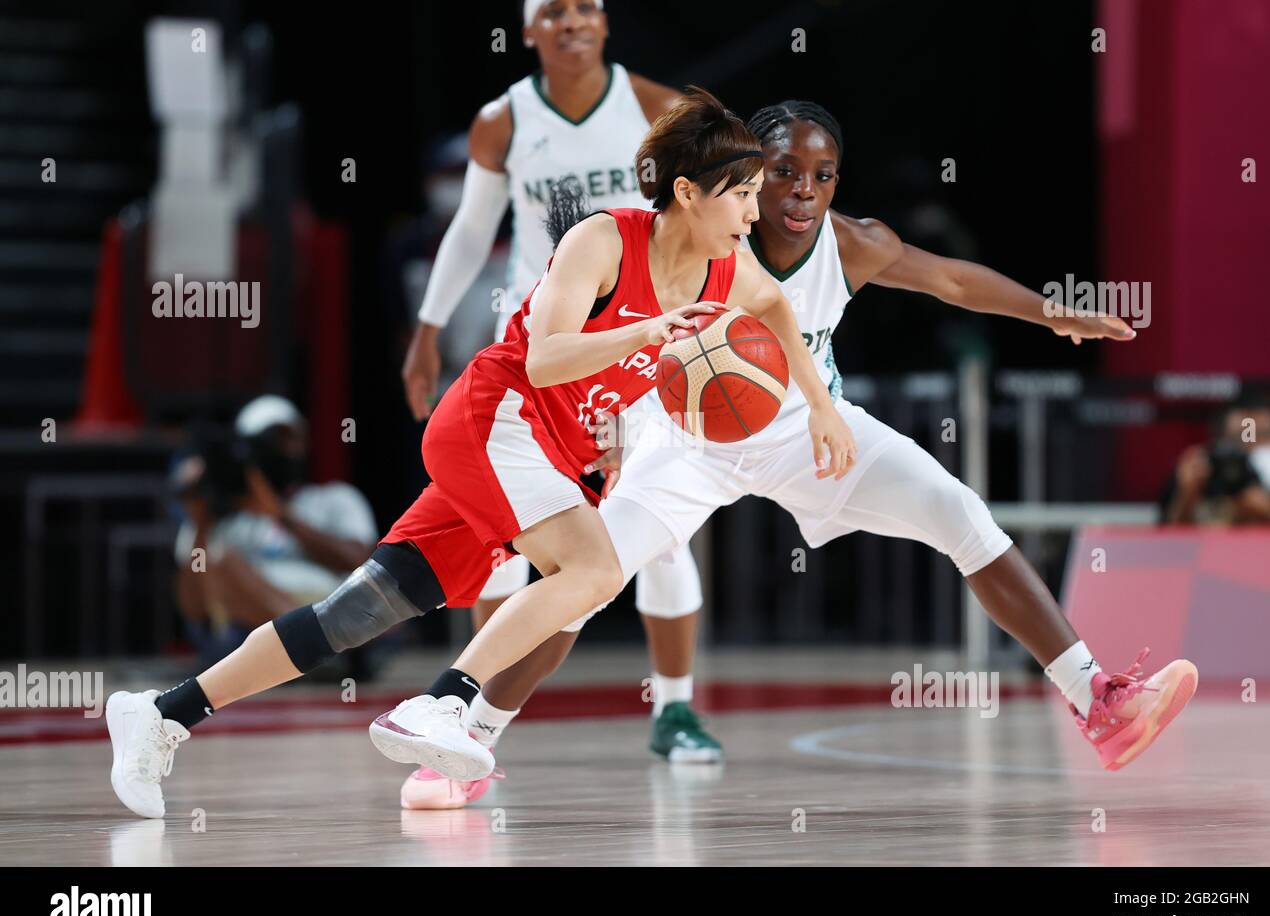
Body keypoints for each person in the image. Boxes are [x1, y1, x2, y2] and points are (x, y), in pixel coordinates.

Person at [398, 99, 1198, 803]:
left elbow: (952, 282)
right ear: (748, 173)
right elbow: (598, 330)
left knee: (958, 510)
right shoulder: (696, 237)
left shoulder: (852, 245)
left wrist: (1050, 312)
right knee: (581, 587)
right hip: (687, 443)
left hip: (807, 433)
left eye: (822, 175)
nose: (802, 191)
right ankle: (460, 748)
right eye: (782, 172)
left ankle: (1095, 697)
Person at [104, 87, 854, 818]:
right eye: (744, 194)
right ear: (689, 193)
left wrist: (820, 408)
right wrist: (645, 334)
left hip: (545, 456)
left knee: (356, 612)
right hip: (494, 420)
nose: (756, 212)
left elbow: (776, 308)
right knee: (592, 569)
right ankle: (444, 703)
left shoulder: (728, 269)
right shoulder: (603, 239)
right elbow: (546, 359)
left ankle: (162, 716)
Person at [397, 0, 721, 811]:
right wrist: (429, 327)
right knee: (507, 545)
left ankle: (675, 707)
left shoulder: (654, 106)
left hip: (638, 342)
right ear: (530, 27)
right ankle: (464, 730)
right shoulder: (503, 120)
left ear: (606, 22)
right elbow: (473, 230)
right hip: (545, 352)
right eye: (555, 11)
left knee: (656, 529)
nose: (573, 21)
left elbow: (713, 205)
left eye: (587, 7)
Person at [172, 396, 379, 676]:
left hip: (329, 608)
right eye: (274, 442)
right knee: (223, 564)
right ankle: (314, 650)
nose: (286, 450)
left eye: (291, 439)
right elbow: (195, 609)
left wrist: (280, 516)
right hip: (249, 628)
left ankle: (310, 649)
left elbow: (362, 562)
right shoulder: (220, 523)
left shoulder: (335, 499)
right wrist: (200, 517)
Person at [1162, 394, 1270, 525]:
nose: (1252, 446)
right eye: (1241, 437)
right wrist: (1186, 497)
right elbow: (1169, 544)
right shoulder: (1198, 485)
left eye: (1265, 435)